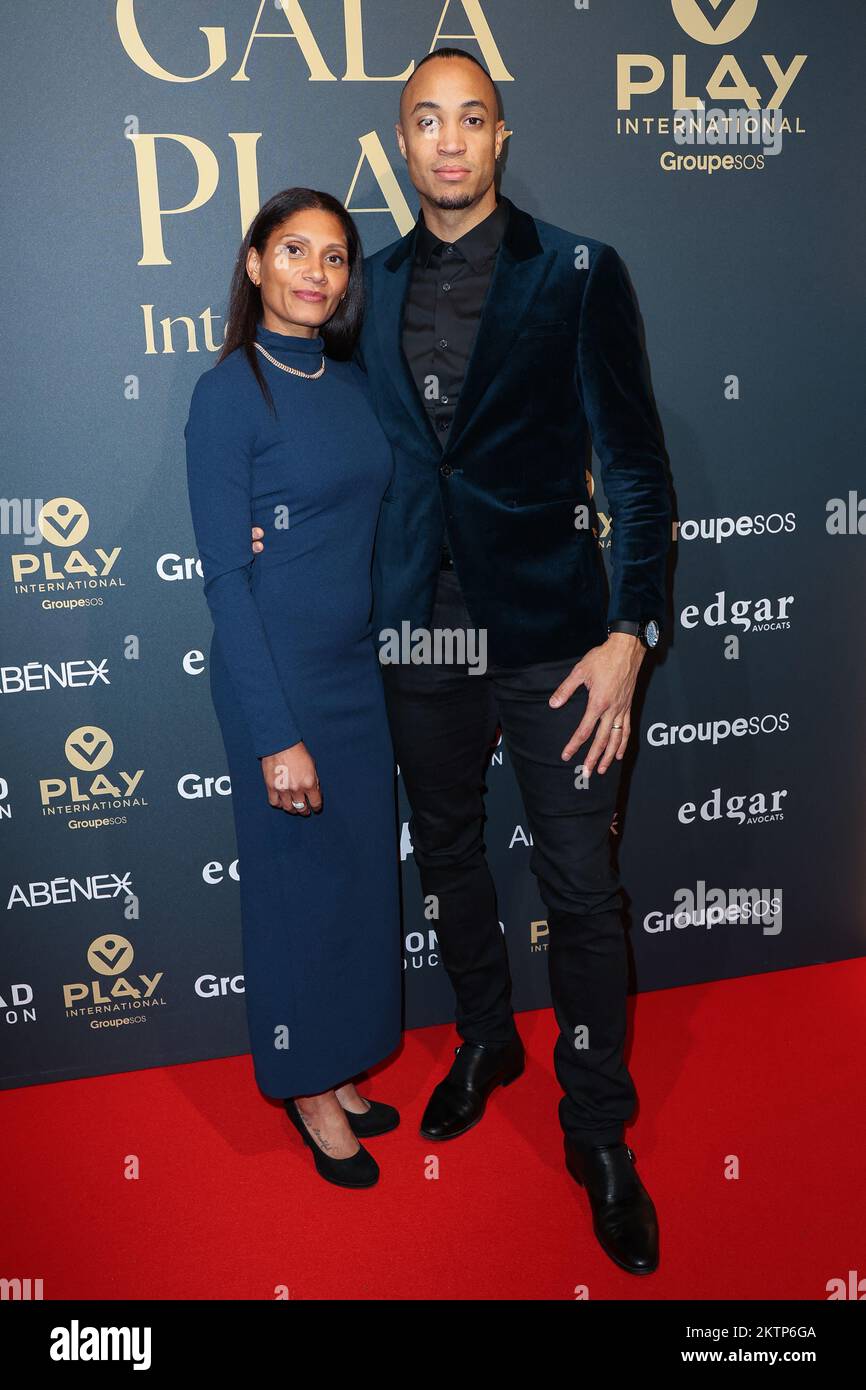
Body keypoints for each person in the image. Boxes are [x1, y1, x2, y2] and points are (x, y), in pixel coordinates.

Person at [253, 49, 671, 1272]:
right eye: (423, 122)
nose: (446, 142)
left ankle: (598, 1131)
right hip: (417, 631)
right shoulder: (364, 287)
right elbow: (308, 425)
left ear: (499, 137)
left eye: (469, 120)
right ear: (399, 144)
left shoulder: (580, 272)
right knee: (446, 851)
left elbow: (636, 472)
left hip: (551, 636)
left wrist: (627, 636)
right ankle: (486, 1034)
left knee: (582, 891)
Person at [185, 188, 402, 1190]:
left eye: (335, 256)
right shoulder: (228, 391)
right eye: (295, 250)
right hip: (275, 680)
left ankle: (345, 1059)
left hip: (353, 672)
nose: (316, 270)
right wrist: (276, 732)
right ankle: (306, 1085)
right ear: (256, 263)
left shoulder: (352, 384)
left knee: (356, 877)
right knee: (293, 888)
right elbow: (226, 573)